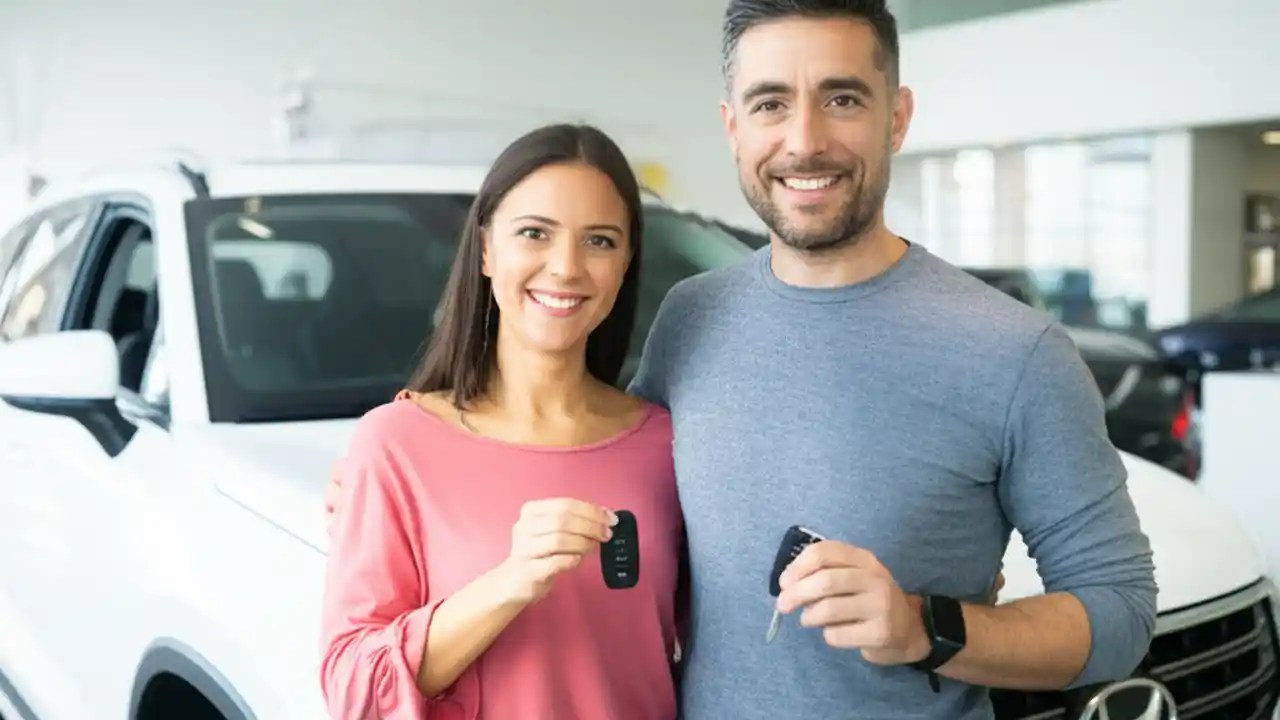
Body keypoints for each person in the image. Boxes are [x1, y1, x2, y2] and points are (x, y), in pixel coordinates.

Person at [328, 1, 1157, 718]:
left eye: (841, 98)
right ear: (733, 124)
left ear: (896, 117)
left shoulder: (1015, 352)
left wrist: (926, 627)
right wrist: (410, 464)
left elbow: (1119, 613)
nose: (804, 140)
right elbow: (618, 473)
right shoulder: (694, 316)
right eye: (770, 103)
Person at [319, 123, 686, 720]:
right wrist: (509, 583)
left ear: (625, 263)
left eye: (599, 241)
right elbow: (357, 693)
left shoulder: (666, 446)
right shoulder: (396, 443)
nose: (566, 267)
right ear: (487, 249)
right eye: (534, 234)